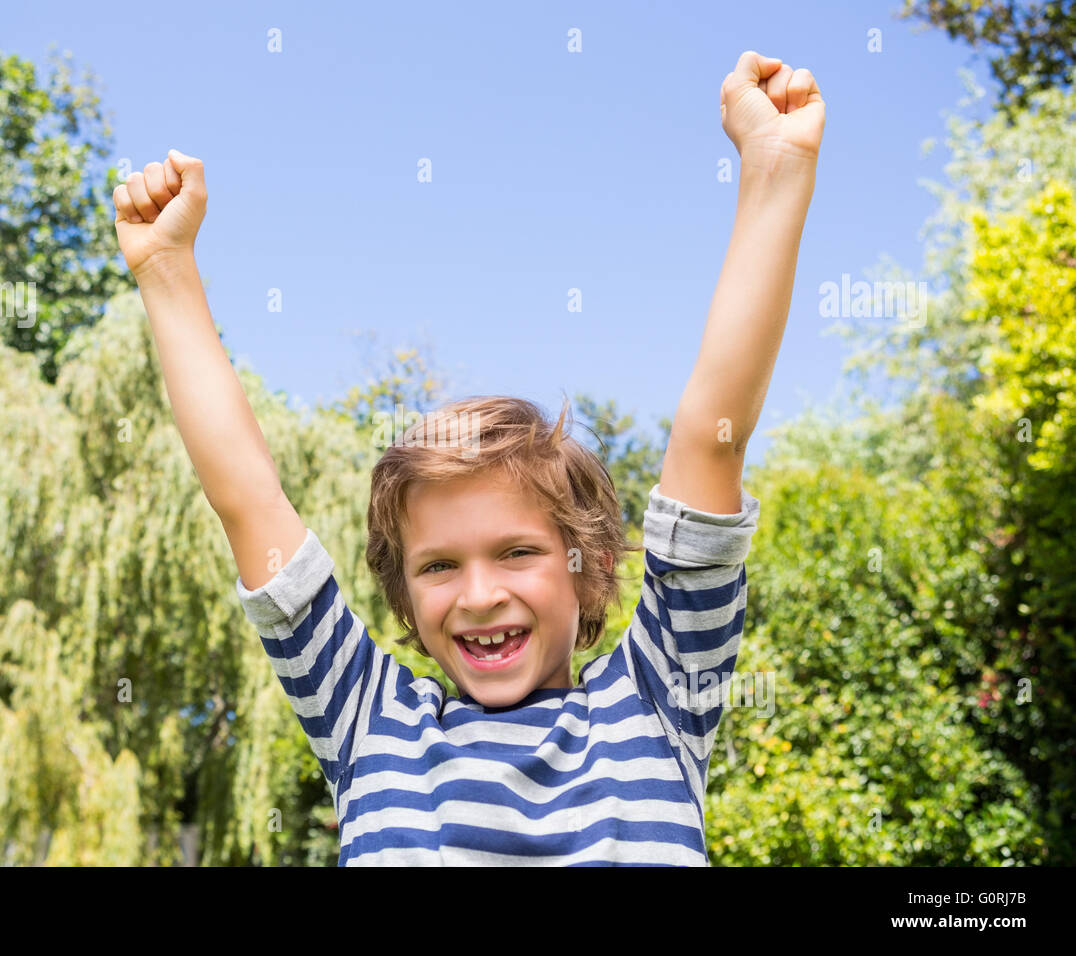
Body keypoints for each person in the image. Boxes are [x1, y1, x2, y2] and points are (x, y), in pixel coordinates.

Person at [113, 50, 824, 865]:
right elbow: (246, 496)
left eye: (517, 552)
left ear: (587, 563)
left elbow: (710, 436)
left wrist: (776, 170)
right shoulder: (369, 721)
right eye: (439, 567)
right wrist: (166, 269)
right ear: (405, 598)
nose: (480, 595)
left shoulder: (657, 703)